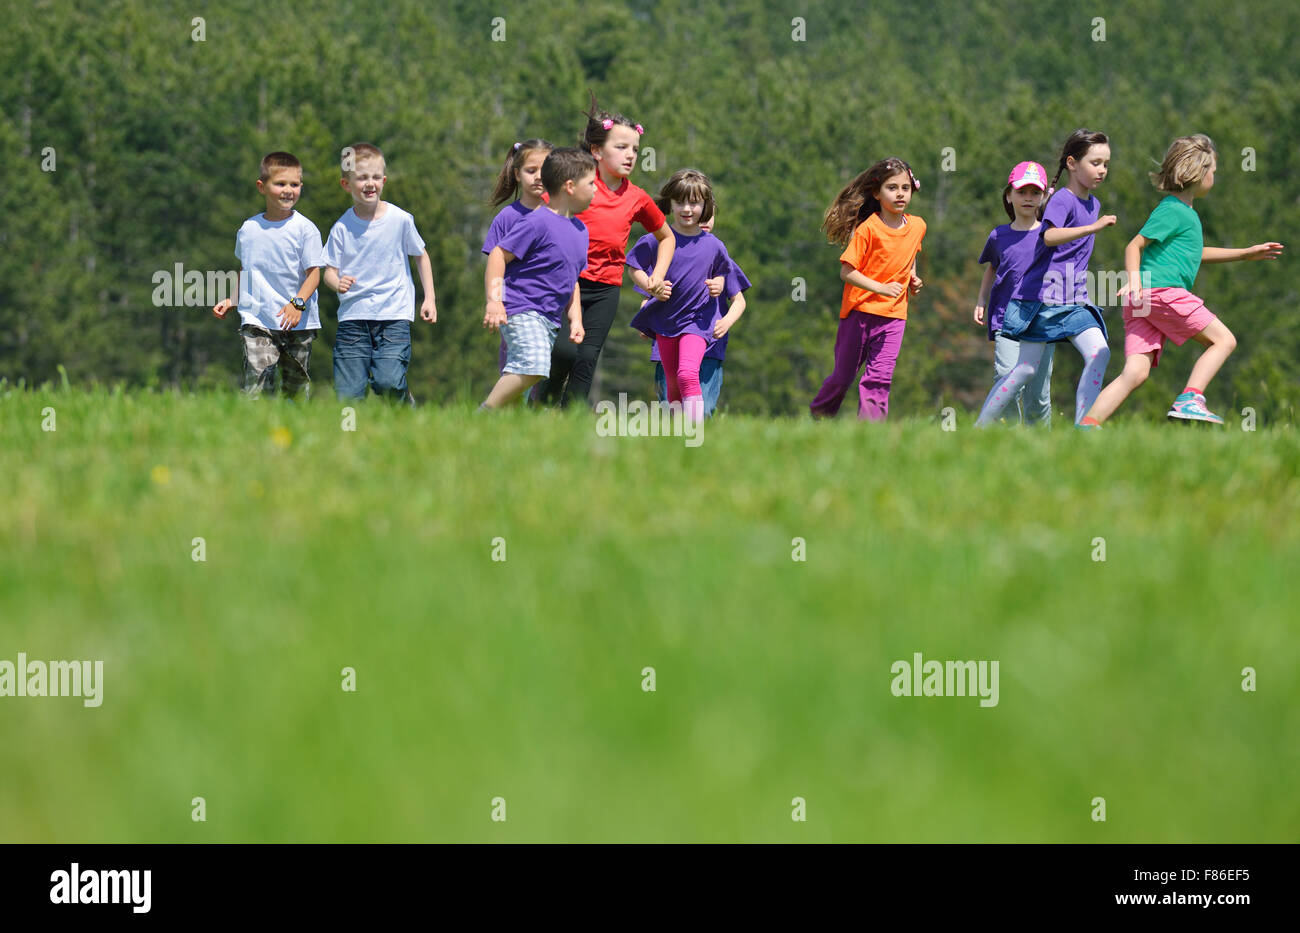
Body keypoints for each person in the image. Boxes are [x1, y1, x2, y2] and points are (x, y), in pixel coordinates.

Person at [1080, 134, 1284, 427]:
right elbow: (1133, 246)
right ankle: (1190, 398)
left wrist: (1244, 253)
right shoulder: (1173, 210)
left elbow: (1195, 253)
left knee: (1135, 373)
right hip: (1160, 293)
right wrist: (1135, 280)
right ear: (1198, 172)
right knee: (1224, 340)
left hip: (1142, 301)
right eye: (1213, 169)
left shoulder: (1184, 213)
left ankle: (1087, 426)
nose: (1215, 175)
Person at [532, 96, 674, 407]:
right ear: (596, 151)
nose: (630, 155)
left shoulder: (637, 197)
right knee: (563, 353)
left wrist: (656, 278)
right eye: (621, 147)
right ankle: (540, 409)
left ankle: (571, 426)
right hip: (567, 283)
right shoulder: (577, 187)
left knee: (586, 359)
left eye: (635, 149)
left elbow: (667, 238)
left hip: (606, 289)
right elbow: (542, 220)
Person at [975, 130, 1115, 427]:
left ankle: (1084, 427)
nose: (1102, 169)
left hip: (1074, 300)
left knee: (1100, 352)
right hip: (1041, 301)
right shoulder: (1061, 201)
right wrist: (1092, 229)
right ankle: (979, 428)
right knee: (1024, 370)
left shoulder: (1095, 205)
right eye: (1095, 162)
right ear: (1073, 164)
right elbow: (1049, 236)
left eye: (1106, 163)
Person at [626, 169, 749, 422]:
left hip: (698, 322)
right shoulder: (657, 240)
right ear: (669, 203)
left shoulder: (714, 245)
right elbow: (634, 268)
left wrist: (720, 291)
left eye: (694, 203)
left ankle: (695, 429)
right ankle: (678, 432)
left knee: (686, 374)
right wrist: (650, 287)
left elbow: (726, 275)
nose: (687, 209)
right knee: (672, 383)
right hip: (666, 322)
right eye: (680, 202)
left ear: (705, 206)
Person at [809, 157, 926, 421]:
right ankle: (819, 415)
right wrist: (881, 288)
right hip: (859, 313)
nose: (900, 194)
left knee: (879, 378)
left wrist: (913, 278)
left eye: (905, 188)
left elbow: (910, 254)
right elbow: (847, 272)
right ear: (876, 193)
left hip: (894, 317)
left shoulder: (918, 226)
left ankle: (870, 433)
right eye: (892, 188)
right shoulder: (868, 229)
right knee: (843, 377)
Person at [480, 147, 596, 409]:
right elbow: (498, 255)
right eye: (591, 183)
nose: (595, 189)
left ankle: (500, 421)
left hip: (550, 319)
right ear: (569, 186)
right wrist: (495, 301)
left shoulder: (581, 230)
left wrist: (575, 318)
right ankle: (484, 413)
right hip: (522, 309)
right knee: (534, 365)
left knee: (522, 386)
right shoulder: (537, 222)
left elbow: (572, 280)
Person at [323, 142, 437, 402]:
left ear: (384, 180)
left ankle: (403, 410)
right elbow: (328, 270)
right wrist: (337, 282)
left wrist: (429, 298)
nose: (370, 183)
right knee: (348, 393)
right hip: (353, 318)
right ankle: (347, 434)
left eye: (375, 177)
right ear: (346, 184)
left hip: (393, 316)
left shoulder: (400, 220)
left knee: (388, 381)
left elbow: (421, 255)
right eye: (362, 178)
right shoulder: (341, 227)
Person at [212, 151, 323, 399]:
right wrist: (233, 299)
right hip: (258, 318)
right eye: (280, 184)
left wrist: (297, 304)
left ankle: (293, 431)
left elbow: (314, 274)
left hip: (298, 322)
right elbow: (247, 270)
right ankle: (255, 430)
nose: (288, 190)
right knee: (258, 384)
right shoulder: (249, 229)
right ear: (262, 187)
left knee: (295, 391)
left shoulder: (306, 230)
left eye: (294, 184)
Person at [974, 161, 1054, 425]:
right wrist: (981, 301)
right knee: (1007, 377)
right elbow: (993, 269)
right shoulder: (999, 235)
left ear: (1043, 197)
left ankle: (1042, 448)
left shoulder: (1050, 235)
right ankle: (1011, 437)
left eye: (1035, 193)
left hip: (1042, 321)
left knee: (1037, 394)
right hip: (1005, 318)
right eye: (1022, 192)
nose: (1028, 199)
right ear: (1009, 196)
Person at [648, 209, 749, 416]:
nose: (702, 220)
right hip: (668, 343)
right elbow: (650, 292)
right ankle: (675, 447)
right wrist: (647, 313)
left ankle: (697, 443)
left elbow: (739, 300)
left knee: (703, 409)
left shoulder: (719, 255)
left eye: (708, 215)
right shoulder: (666, 253)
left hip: (709, 348)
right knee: (671, 410)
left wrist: (726, 321)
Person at [484, 139, 553, 374]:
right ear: (516, 174)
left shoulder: (562, 216)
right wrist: (496, 302)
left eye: (545, 171)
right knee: (519, 366)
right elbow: (495, 262)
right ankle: (502, 409)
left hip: (552, 310)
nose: (538, 177)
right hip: (516, 309)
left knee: (545, 372)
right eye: (530, 171)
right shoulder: (507, 218)